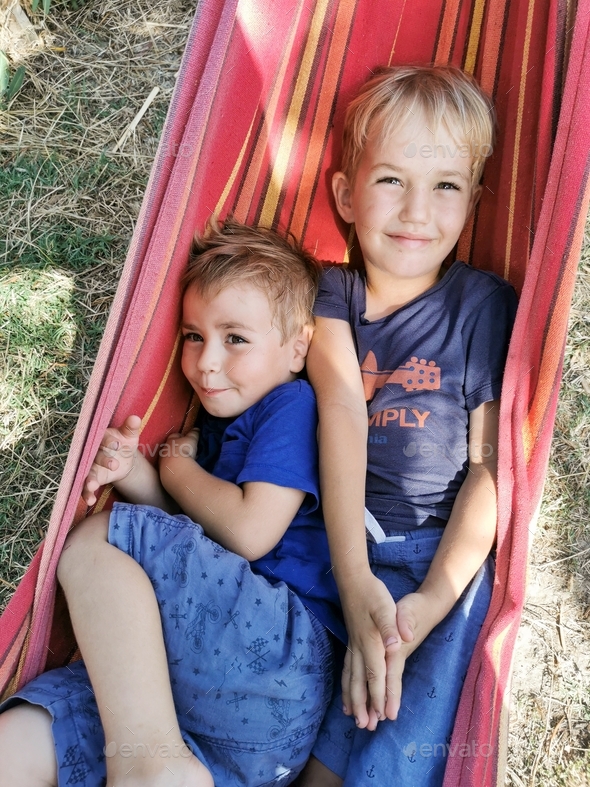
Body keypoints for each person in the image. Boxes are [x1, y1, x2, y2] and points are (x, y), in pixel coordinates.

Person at [0, 219, 345, 787]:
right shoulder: (217, 426)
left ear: (297, 347)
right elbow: (183, 532)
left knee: (99, 541)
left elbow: (250, 531)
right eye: (193, 336)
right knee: (18, 743)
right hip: (222, 737)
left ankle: (146, 767)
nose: (207, 361)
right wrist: (132, 470)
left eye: (235, 338)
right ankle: (150, 762)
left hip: (279, 656)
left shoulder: (291, 405)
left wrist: (176, 467)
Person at [298, 65, 518, 786]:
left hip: (435, 554)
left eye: (446, 186)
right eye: (392, 179)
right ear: (345, 195)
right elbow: (340, 410)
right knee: (321, 753)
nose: (417, 211)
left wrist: (431, 598)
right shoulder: (329, 294)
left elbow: (487, 469)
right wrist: (354, 577)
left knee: (397, 749)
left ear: (475, 203)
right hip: (337, 539)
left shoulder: (482, 305)